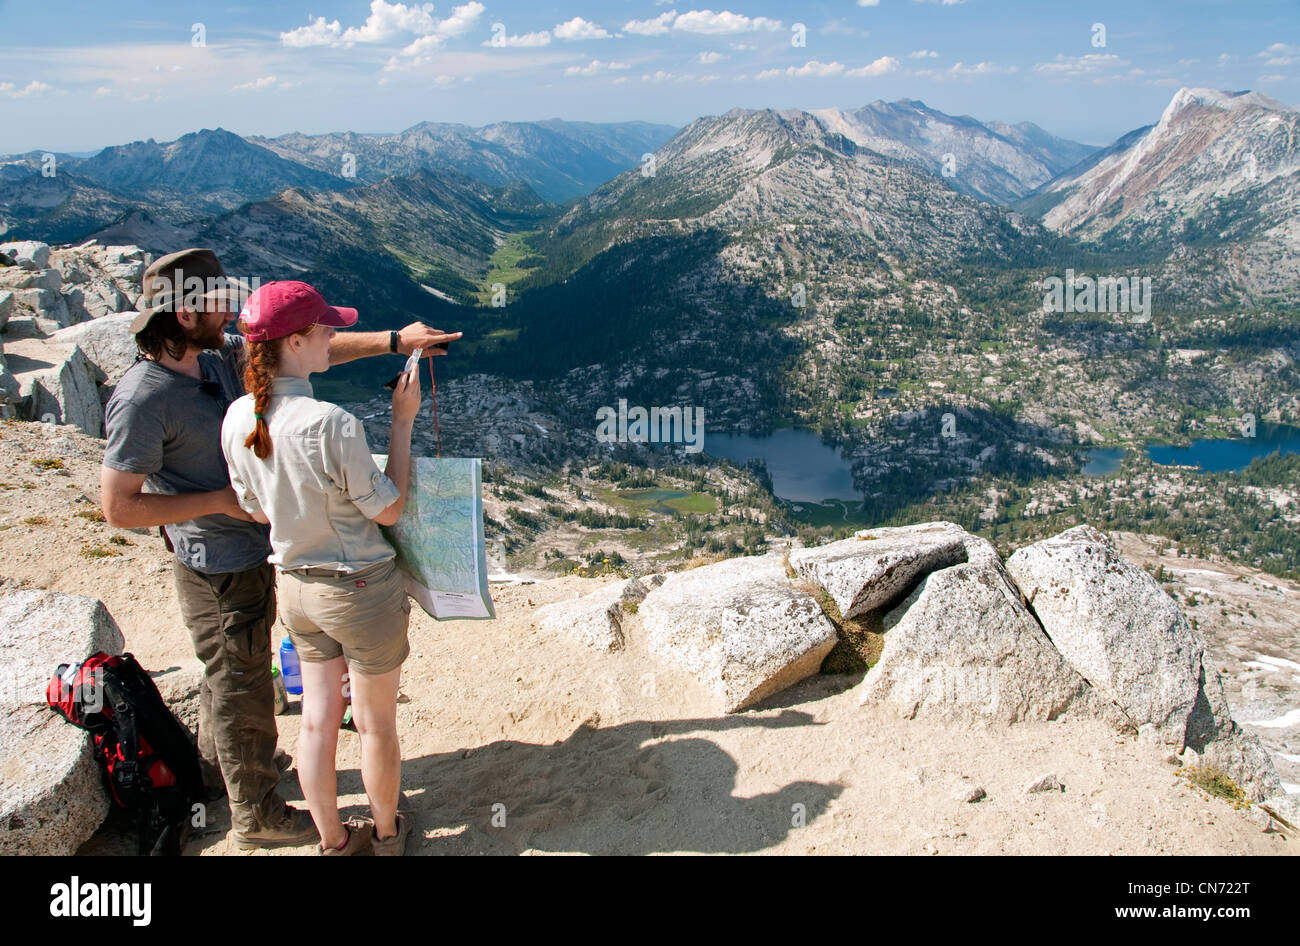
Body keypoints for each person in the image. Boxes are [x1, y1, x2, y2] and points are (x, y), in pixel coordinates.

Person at [100, 248, 458, 849]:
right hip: (224, 564)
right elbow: (118, 508)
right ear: (186, 315)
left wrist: (393, 341)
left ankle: (277, 808)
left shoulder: (222, 375)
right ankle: (261, 816)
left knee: (284, 702)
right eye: (219, 303)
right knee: (246, 687)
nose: (233, 315)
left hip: (282, 562)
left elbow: (292, 349)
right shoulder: (144, 398)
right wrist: (220, 500)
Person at [221, 280, 422, 856]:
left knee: (316, 722)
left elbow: (254, 508)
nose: (334, 336)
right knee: (377, 725)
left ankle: (334, 841)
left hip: (296, 589)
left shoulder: (239, 416)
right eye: (327, 328)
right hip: (359, 589)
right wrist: (402, 422)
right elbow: (389, 508)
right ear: (298, 340)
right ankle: (386, 836)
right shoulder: (330, 421)